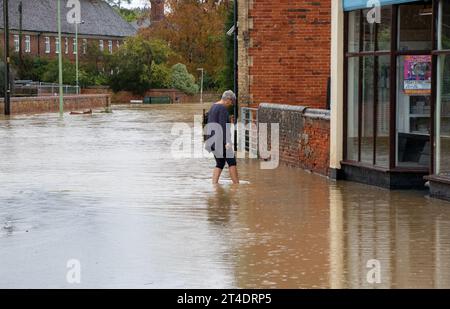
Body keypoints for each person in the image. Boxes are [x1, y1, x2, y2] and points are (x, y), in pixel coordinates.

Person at [206, 90, 239, 185]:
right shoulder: (222, 108)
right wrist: (227, 142)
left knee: (220, 163)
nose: (231, 104)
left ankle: (214, 185)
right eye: (232, 101)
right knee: (232, 162)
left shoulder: (213, 106)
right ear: (228, 99)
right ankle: (236, 186)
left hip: (211, 141)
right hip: (220, 141)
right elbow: (223, 126)